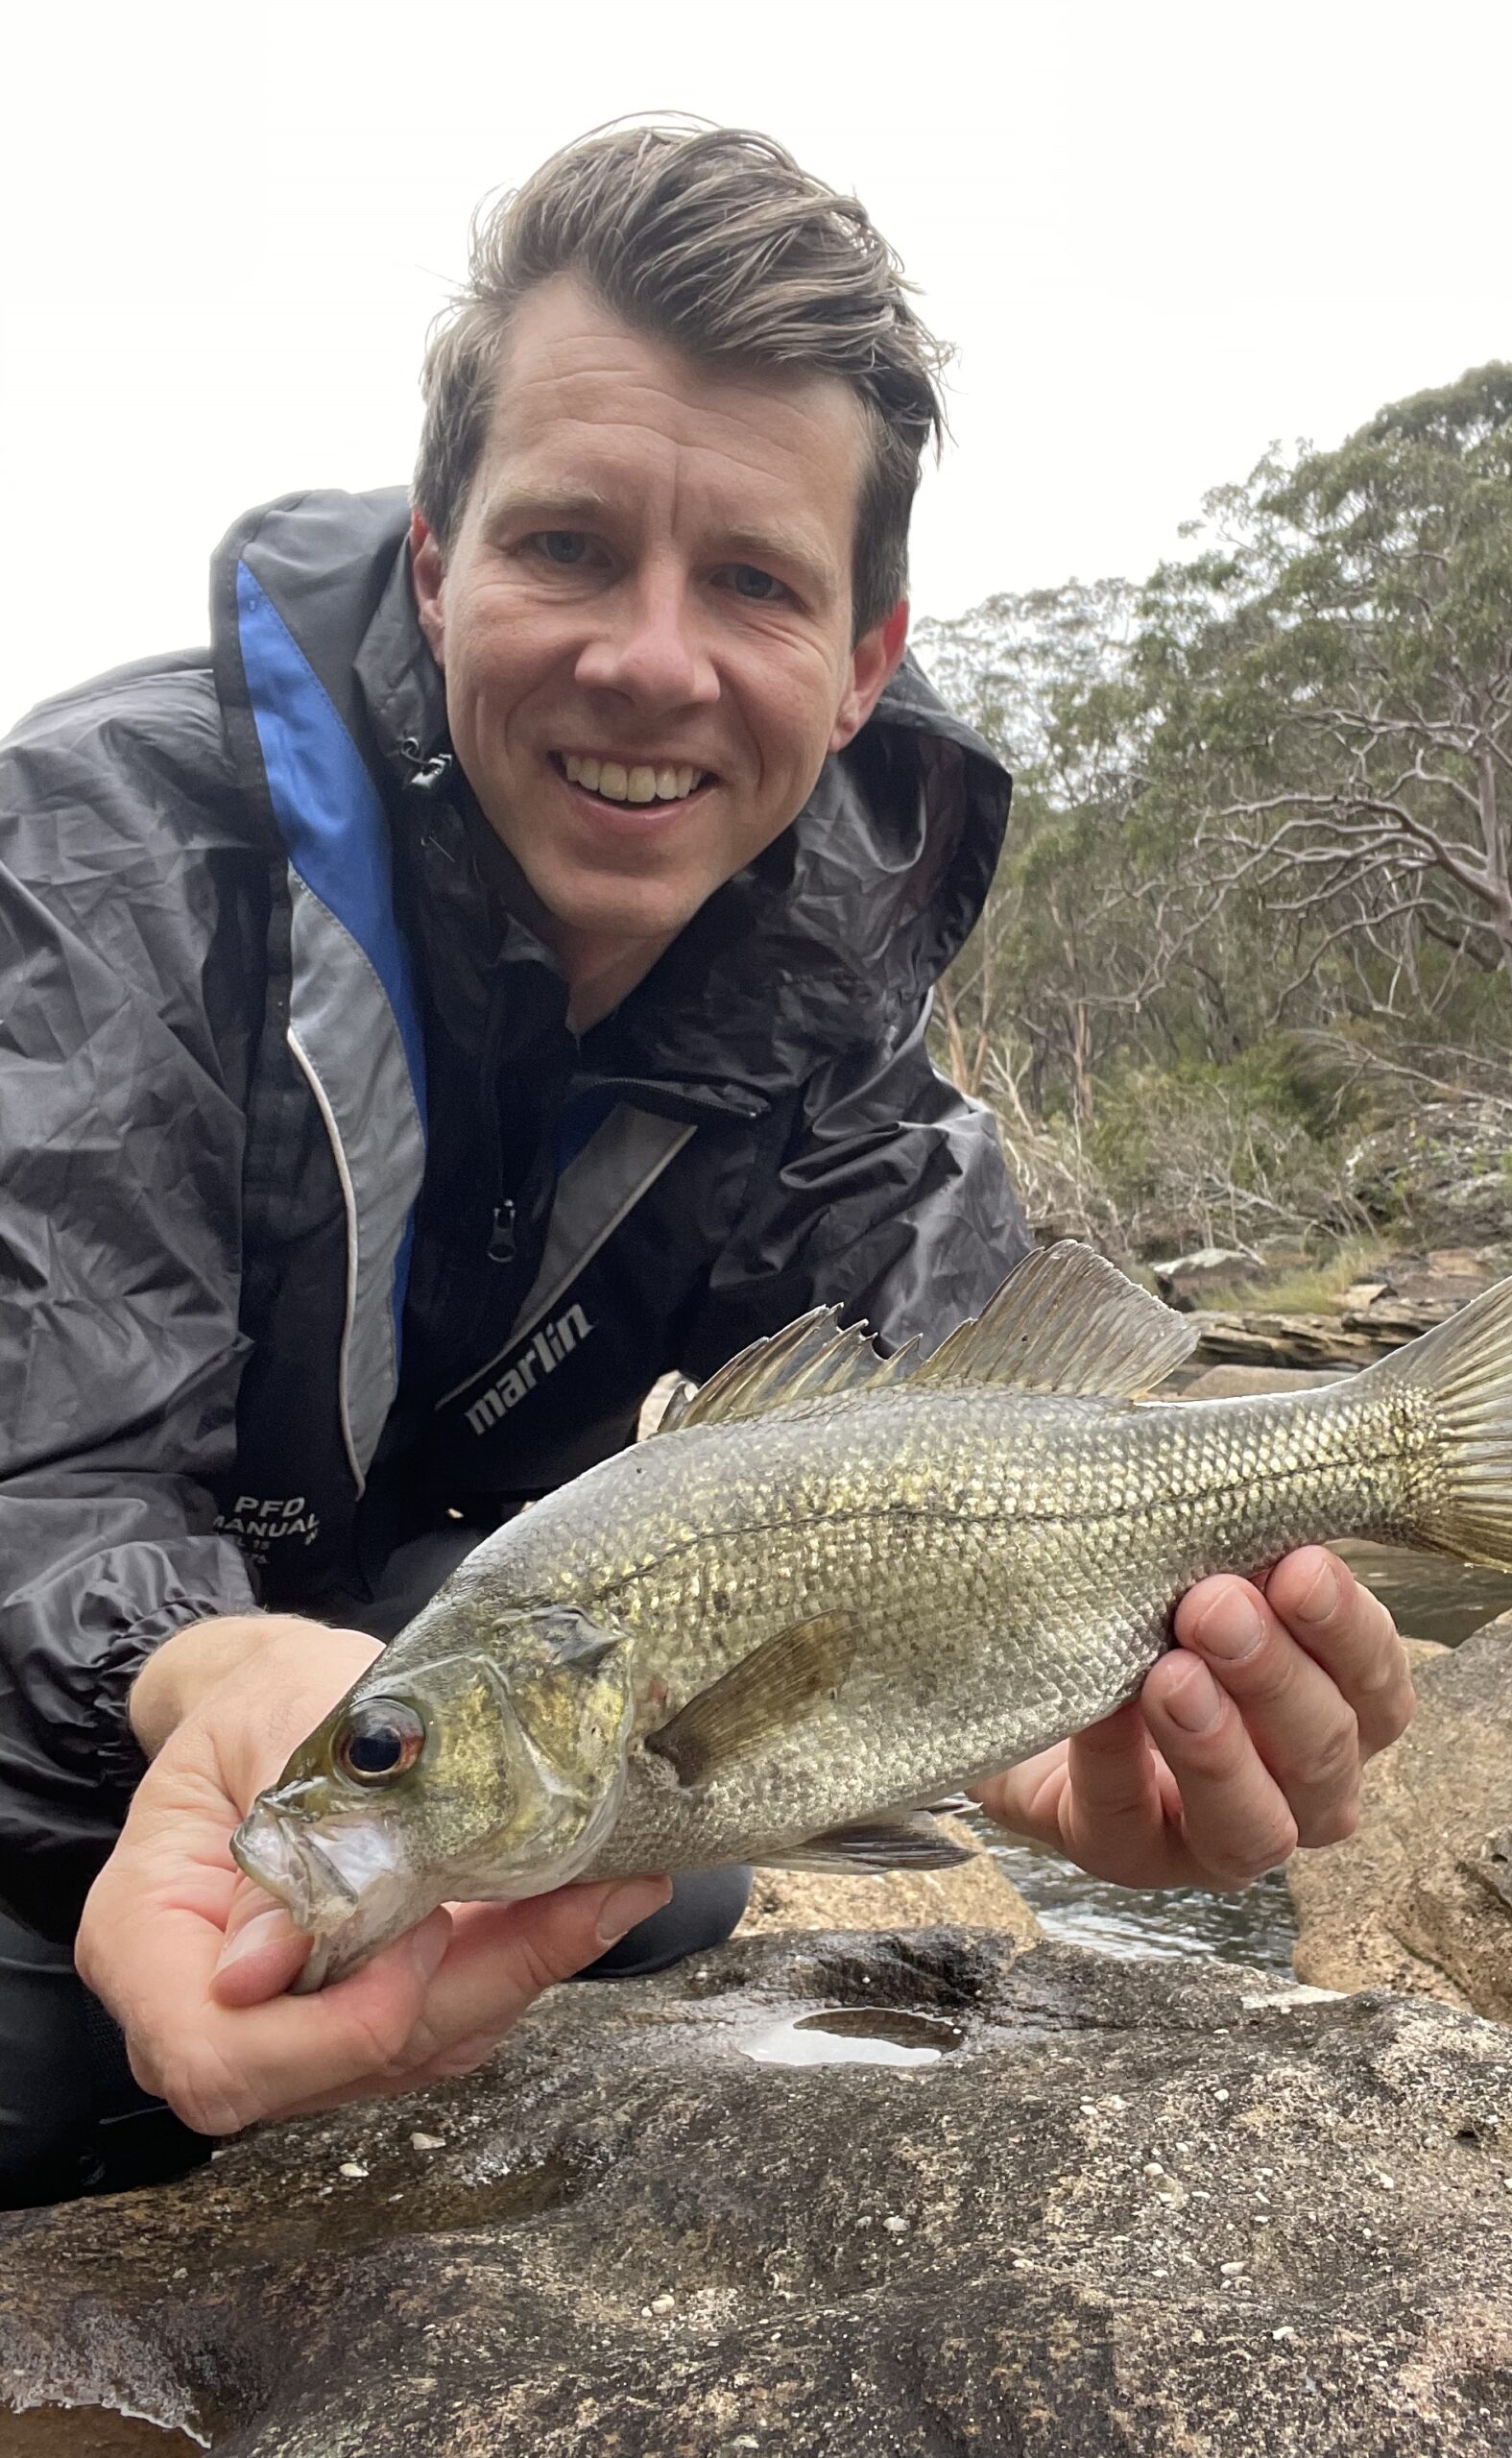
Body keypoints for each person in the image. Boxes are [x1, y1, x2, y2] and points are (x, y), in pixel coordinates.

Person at [0, 123, 1412, 2207]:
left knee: (654, 1881)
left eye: (751, 580)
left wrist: (1038, 1725)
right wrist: (196, 1677)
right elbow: (43, 1474)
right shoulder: (92, 863)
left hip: (446, 1684)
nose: (652, 661)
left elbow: (998, 1440)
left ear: (862, 661)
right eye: (569, 545)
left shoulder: (840, 1040)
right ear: (434, 561)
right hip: (167, 1687)